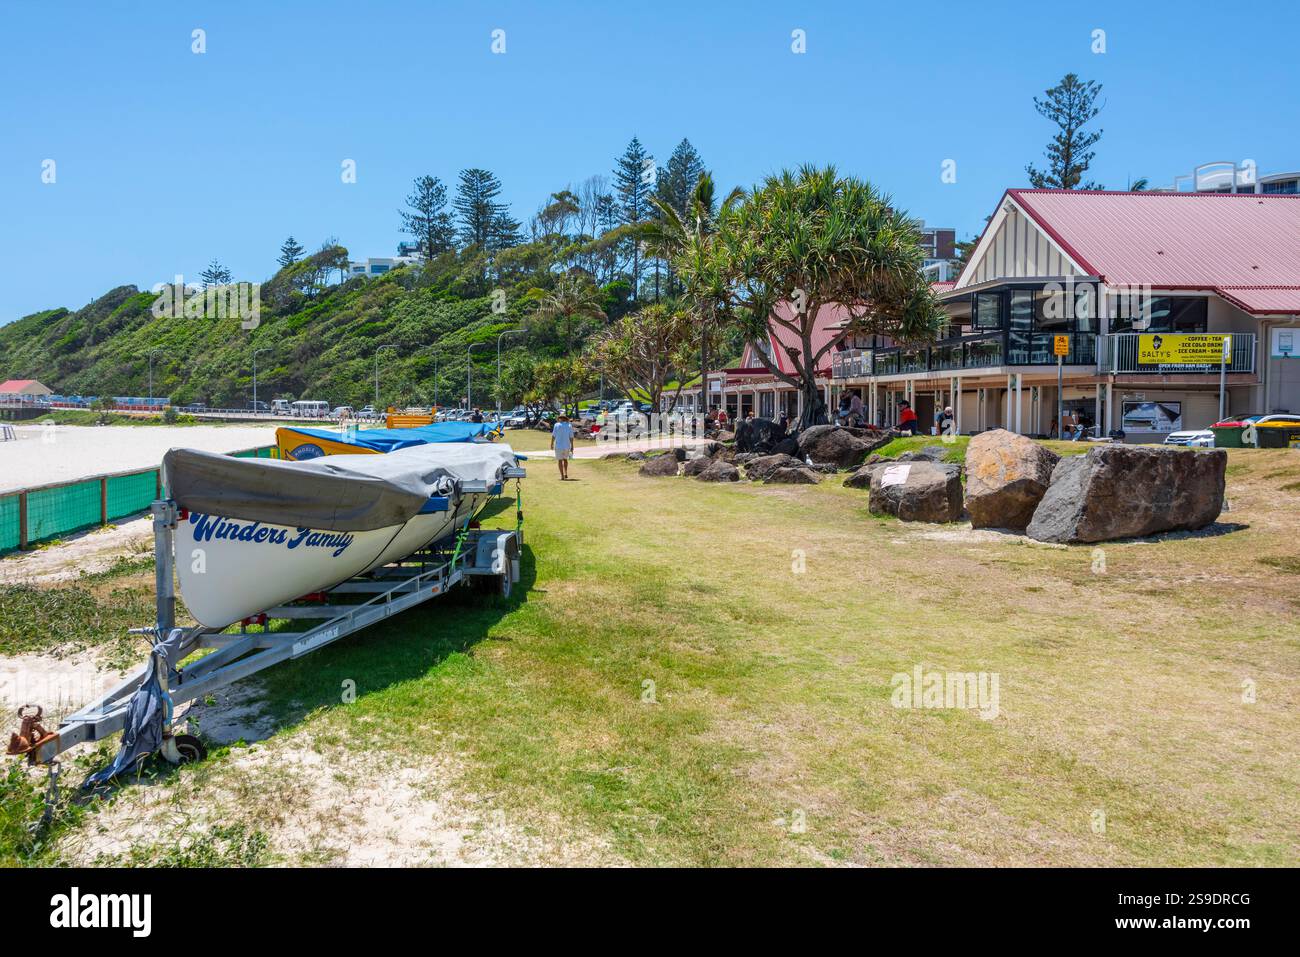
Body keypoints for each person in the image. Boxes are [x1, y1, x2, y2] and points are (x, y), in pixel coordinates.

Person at [550, 413, 575, 480]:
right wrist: (572, 446)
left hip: (558, 446)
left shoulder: (556, 425)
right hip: (566, 445)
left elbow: (553, 435)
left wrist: (551, 444)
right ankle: (565, 473)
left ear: (560, 418)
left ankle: (562, 475)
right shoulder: (569, 425)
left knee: (560, 460)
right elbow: (571, 437)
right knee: (565, 460)